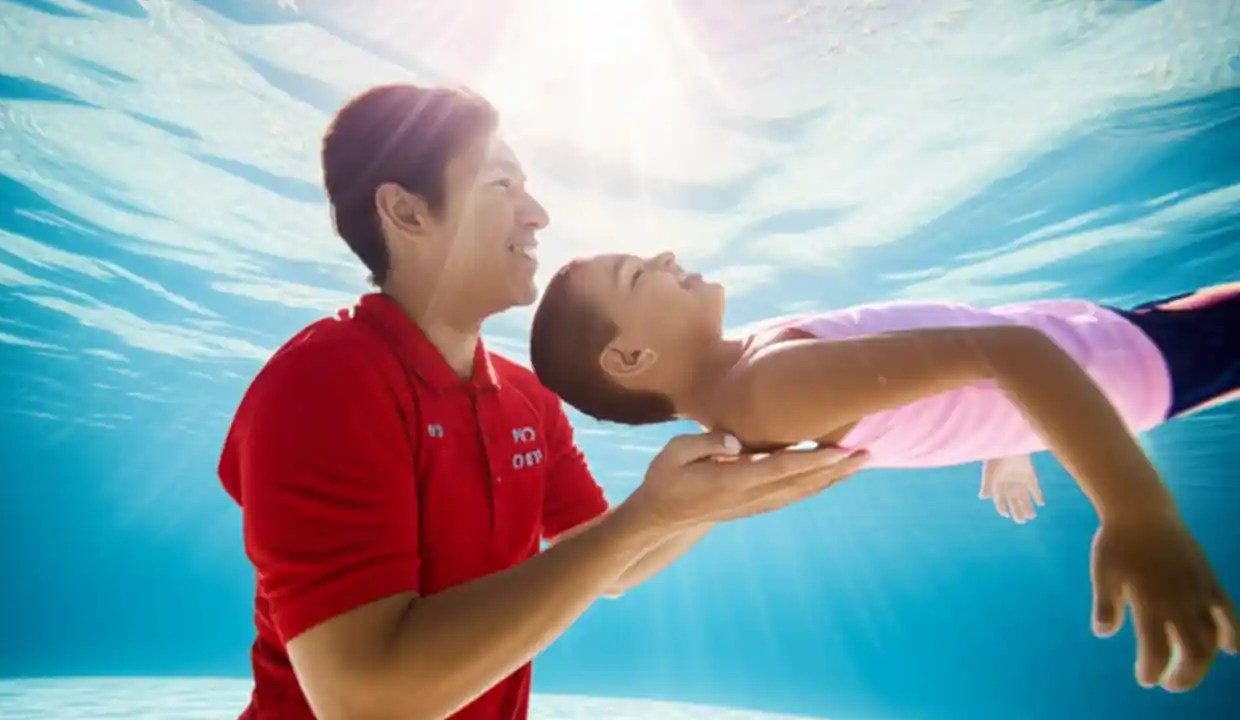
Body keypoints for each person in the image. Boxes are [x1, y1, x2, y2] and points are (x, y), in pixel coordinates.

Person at [216, 85, 866, 720]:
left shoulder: (525, 396)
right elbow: (366, 703)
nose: (538, 214)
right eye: (501, 185)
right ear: (407, 212)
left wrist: (741, 451)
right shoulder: (323, 386)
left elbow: (612, 563)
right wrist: (646, 517)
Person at [528, 251, 1240, 692]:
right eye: (635, 274)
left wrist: (1013, 433)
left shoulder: (747, 374)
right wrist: (1138, 514)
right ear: (629, 361)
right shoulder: (766, 391)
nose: (665, 254)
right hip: (1125, 365)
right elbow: (1010, 354)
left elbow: (958, 363)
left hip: (1100, 344)